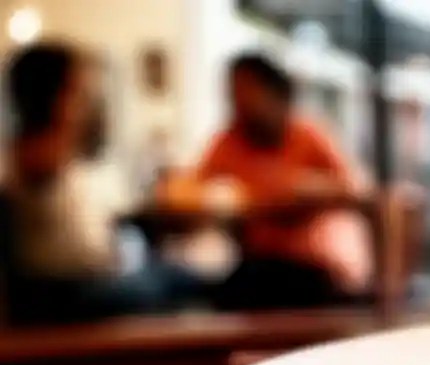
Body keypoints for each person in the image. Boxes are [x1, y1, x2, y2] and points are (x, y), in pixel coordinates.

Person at [2, 43, 196, 323]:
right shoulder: (35, 150)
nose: (85, 102)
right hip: (64, 292)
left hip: (87, 281)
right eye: (76, 91)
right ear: (53, 93)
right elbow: (48, 164)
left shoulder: (53, 149)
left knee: (175, 273)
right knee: (175, 281)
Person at [195, 53, 370, 309]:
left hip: (316, 266)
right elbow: (198, 191)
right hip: (258, 264)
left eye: (245, 90)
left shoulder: (308, 134)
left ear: (275, 93)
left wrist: (312, 190)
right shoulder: (228, 141)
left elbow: (357, 189)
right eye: (232, 93)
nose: (237, 101)